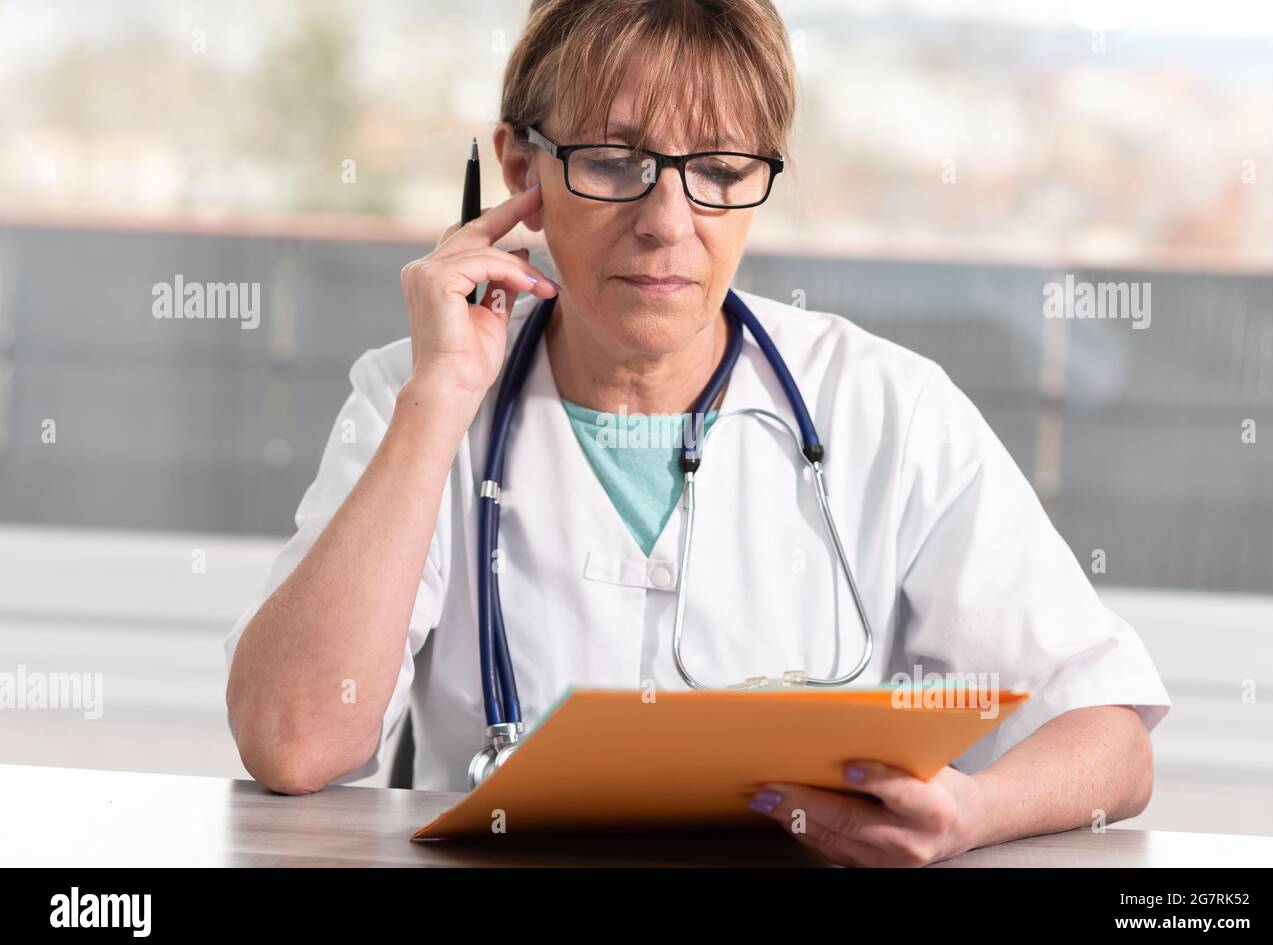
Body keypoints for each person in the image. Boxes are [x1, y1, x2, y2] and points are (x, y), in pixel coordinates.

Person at [224, 0, 1170, 867]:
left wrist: (976, 809)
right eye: (612, 161)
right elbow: (296, 741)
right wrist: (438, 400)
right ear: (520, 171)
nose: (668, 221)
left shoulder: (887, 407)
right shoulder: (417, 389)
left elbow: (1111, 740)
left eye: (720, 170)